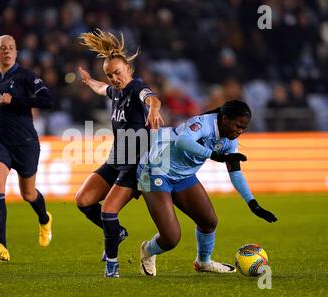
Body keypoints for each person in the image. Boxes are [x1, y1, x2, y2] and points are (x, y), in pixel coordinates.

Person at [137, 100, 278, 276]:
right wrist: (212, 155)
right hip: (155, 170)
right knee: (171, 238)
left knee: (209, 221)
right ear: (225, 119)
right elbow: (182, 141)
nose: (240, 131)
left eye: (244, 128)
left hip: (183, 175)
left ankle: (203, 262)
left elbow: (235, 172)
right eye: (238, 126)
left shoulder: (229, 140)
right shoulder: (203, 123)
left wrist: (252, 203)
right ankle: (148, 251)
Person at [75, 29, 164, 277]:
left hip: (136, 164)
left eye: (117, 72)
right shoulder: (115, 91)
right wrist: (89, 81)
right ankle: (118, 233)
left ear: (129, 70)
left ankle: (112, 266)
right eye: (110, 74)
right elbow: (102, 88)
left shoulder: (136, 88)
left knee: (108, 211)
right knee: (83, 200)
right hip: (116, 159)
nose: (114, 78)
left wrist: (154, 108)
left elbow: (151, 97)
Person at [0, 35, 54, 262]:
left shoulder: (26, 76)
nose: (7, 51)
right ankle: (2, 245)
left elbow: (47, 100)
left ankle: (44, 219)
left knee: (28, 194)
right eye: (2, 48)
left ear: (16, 53)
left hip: (25, 143)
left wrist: (16, 101)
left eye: (11, 48)